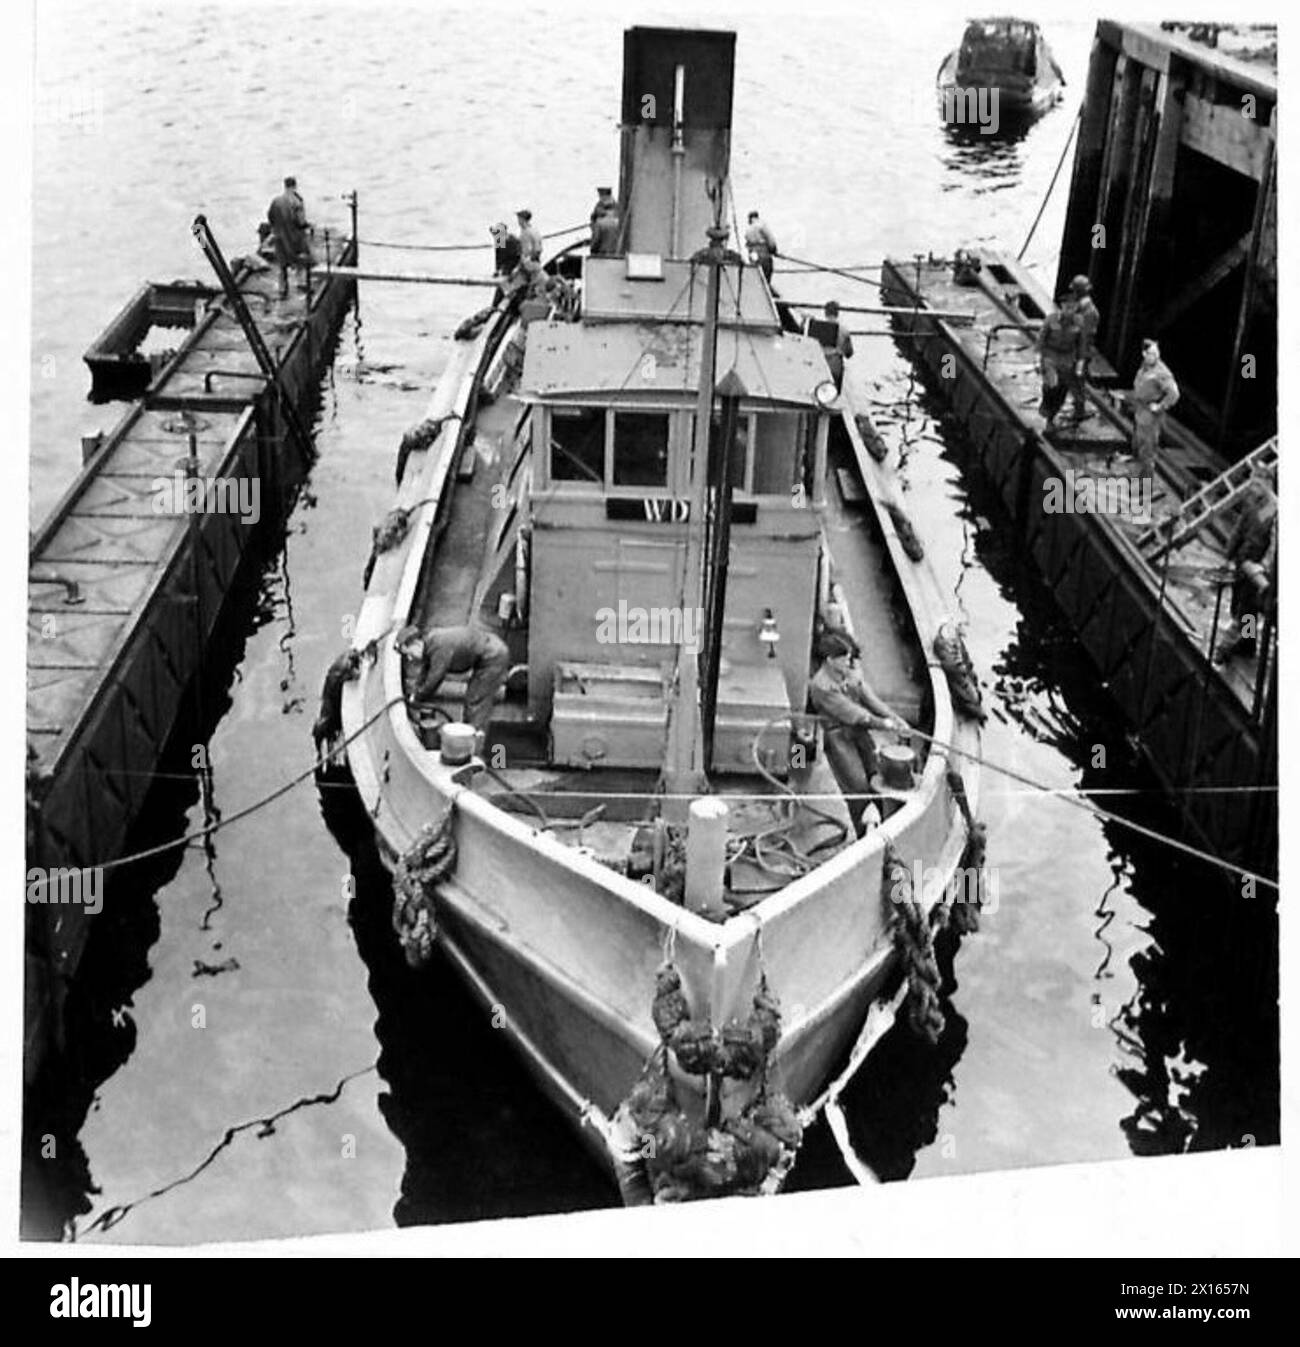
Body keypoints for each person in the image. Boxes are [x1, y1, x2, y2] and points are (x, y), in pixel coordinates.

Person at [809, 632, 908, 829]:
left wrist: (895, 719)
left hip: (859, 732)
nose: (848, 661)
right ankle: (863, 832)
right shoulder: (821, 686)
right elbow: (855, 714)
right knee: (857, 786)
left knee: (876, 775)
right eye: (843, 657)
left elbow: (869, 698)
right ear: (829, 660)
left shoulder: (850, 673)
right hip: (838, 736)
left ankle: (883, 823)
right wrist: (886, 725)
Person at [395, 623, 511, 735]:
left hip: (493, 657)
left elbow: (435, 678)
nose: (410, 658)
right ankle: (469, 730)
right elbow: (426, 671)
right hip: (488, 649)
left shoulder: (438, 647)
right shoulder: (430, 641)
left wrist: (418, 697)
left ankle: (473, 735)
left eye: (409, 654)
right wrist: (416, 691)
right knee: (474, 694)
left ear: (416, 644)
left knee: (476, 699)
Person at [1215, 469, 1277, 664]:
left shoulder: (1275, 509)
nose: (1253, 488)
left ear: (1268, 483)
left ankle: (1227, 646)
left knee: (1244, 609)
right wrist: (1228, 556)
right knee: (1240, 606)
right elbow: (1239, 529)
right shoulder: (1251, 502)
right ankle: (1247, 642)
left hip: (1256, 567)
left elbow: (1275, 545)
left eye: (1258, 484)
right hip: (1243, 561)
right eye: (1252, 483)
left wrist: (1263, 568)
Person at [1120, 338, 1179, 471]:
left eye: (1157, 353)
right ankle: (1137, 476)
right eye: (1152, 353)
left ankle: (1145, 486)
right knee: (1137, 445)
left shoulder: (1162, 373)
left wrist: (1160, 406)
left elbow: (1174, 393)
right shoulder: (1145, 367)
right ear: (1144, 354)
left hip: (1150, 414)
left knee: (1147, 451)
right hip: (1140, 410)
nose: (1156, 356)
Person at [1036, 294, 1081, 428]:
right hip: (1050, 356)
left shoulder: (1079, 323)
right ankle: (1045, 405)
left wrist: (1080, 363)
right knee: (1052, 384)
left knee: (1062, 389)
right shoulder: (1052, 319)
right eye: (1067, 307)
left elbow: (1081, 344)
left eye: (1072, 308)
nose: (1069, 310)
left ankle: (1052, 416)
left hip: (1067, 359)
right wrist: (1037, 358)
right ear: (1062, 307)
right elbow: (1041, 339)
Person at [267, 176, 311, 299]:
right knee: (301, 260)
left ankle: (282, 289)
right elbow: (301, 222)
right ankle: (301, 284)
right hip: (295, 238)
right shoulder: (297, 201)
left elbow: (270, 217)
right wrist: (307, 225)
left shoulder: (276, 201)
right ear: (294, 186)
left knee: (282, 265)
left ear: (285, 186)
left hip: (279, 238)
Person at [1069, 275, 1100, 423]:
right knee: (1076, 379)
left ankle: (1079, 410)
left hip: (1081, 353)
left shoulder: (1088, 312)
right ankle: (1078, 407)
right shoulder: (1082, 308)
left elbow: (1083, 334)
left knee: (1078, 379)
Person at [743, 210, 779, 282]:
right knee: (767, 274)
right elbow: (771, 239)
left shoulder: (747, 230)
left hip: (754, 257)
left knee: (757, 275)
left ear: (750, 218)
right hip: (764, 255)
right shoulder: (762, 225)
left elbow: (747, 245)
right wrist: (774, 251)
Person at [590, 187, 621, 256]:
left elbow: (595, 243)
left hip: (602, 254)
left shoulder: (599, 223)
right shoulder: (619, 219)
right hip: (617, 254)